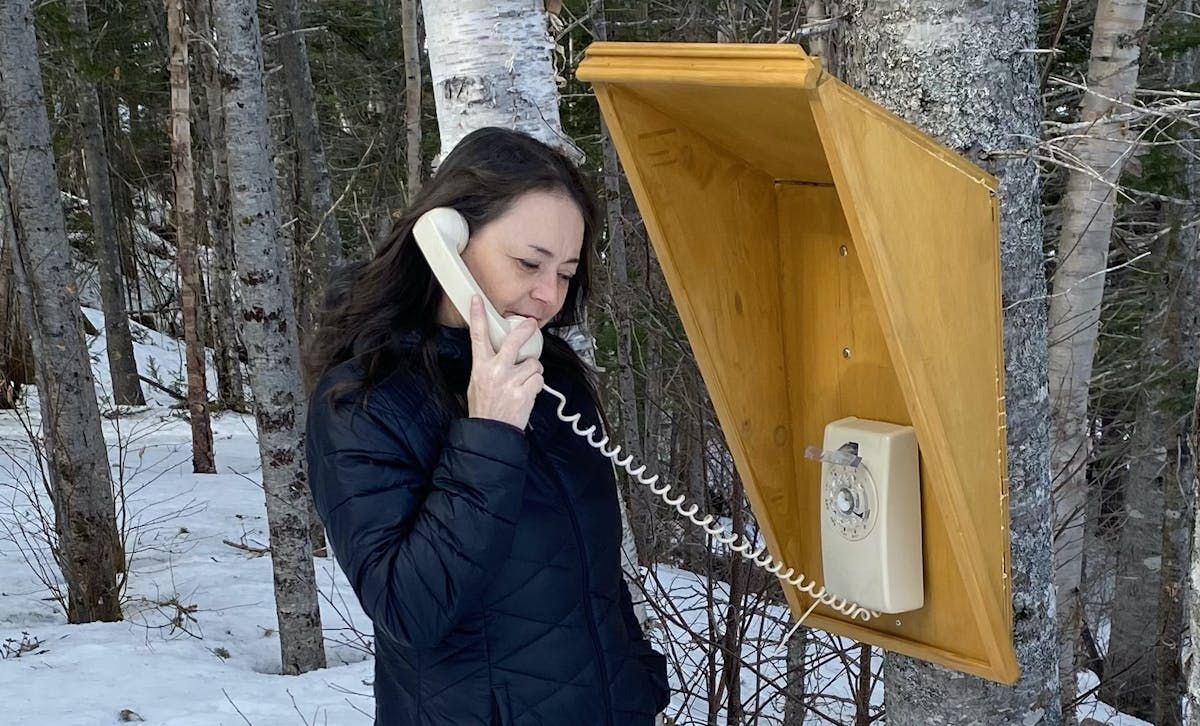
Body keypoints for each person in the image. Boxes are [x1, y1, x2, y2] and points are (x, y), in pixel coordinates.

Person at [304, 127, 670, 725]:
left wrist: (637, 682)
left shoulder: (554, 379)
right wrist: (489, 435)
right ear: (448, 240)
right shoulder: (363, 400)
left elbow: (591, 572)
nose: (547, 295)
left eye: (567, 272)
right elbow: (409, 611)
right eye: (529, 263)